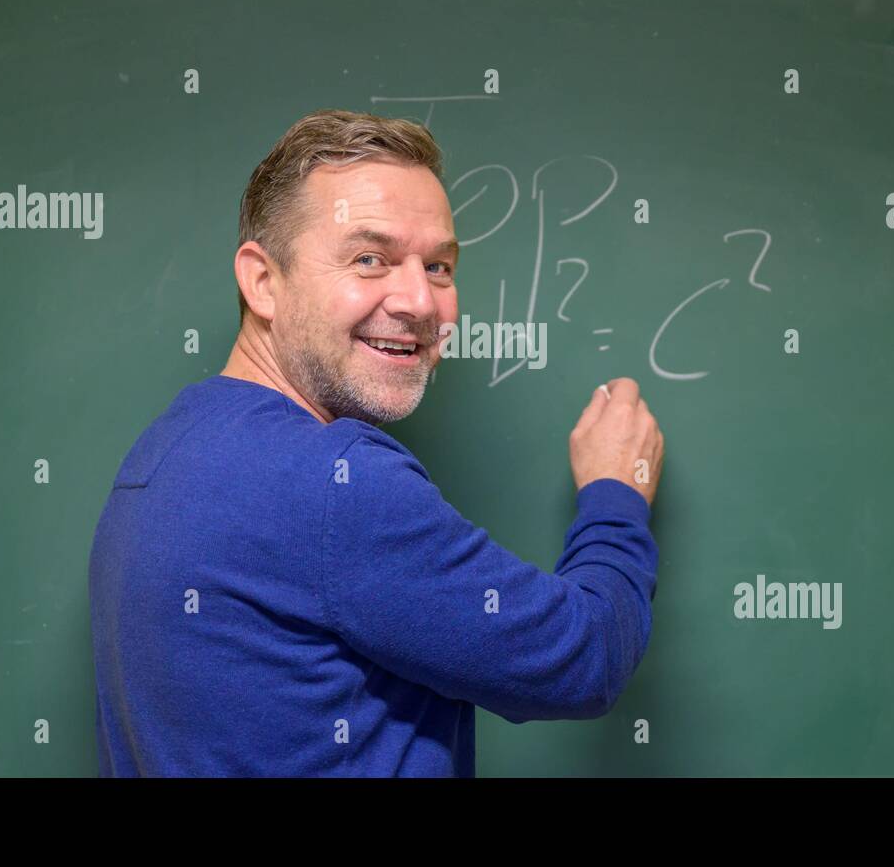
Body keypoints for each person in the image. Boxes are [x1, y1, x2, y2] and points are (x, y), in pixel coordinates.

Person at [88, 108, 664, 776]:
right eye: (369, 259)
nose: (420, 301)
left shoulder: (158, 454)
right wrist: (615, 495)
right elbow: (584, 659)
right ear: (263, 281)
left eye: (439, 266)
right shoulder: (335, 480)